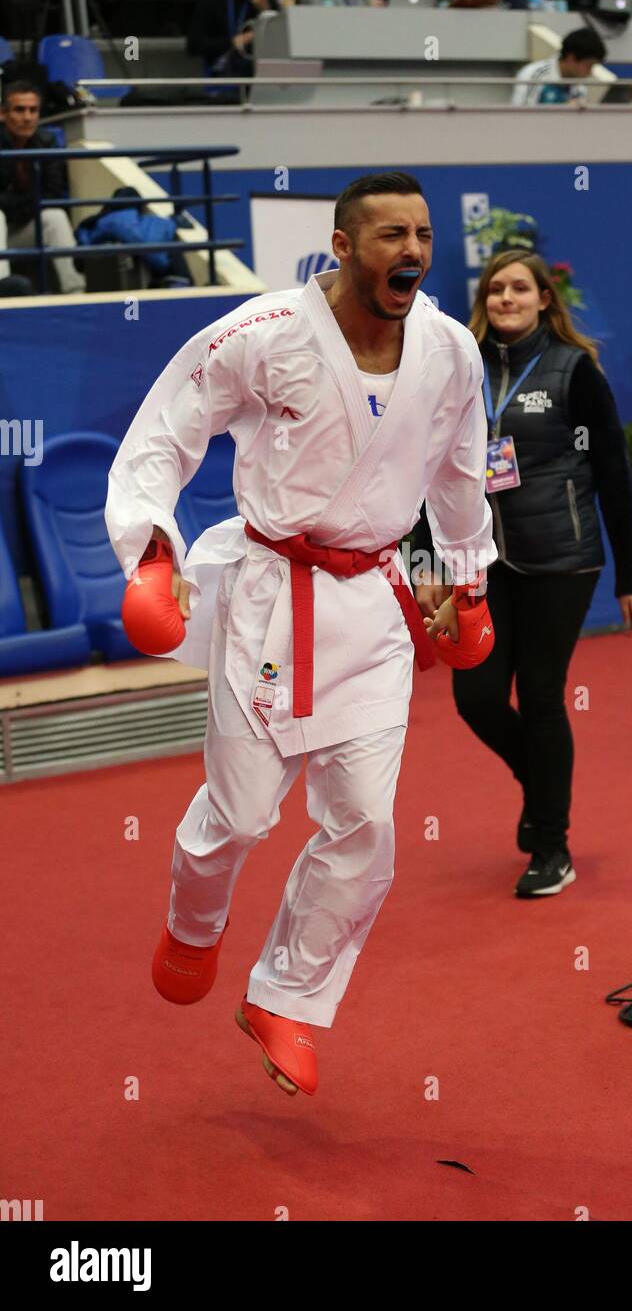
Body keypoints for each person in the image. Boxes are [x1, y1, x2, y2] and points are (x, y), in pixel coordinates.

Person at [104, 171, 496, 1098]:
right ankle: (193, 926)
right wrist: (151, 550)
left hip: (372, 606)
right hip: (270, 593)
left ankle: (287, 996)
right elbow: (165, 432)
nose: (412, 251)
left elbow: (461, 470)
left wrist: (468, 581)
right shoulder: (263, 333)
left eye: (424, 235)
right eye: (391, 234)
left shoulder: (448, 351)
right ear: (344, 243)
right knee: (239, 816)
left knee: (366, 823)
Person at [414, 250, 632, 897]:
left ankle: (552, 846)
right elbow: (430, 475)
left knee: (542, 696)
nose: (505, 299)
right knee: (477, 697)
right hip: (480, 560)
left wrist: (631, 576)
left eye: (519, 288)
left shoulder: (575, 369)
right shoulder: (461, 369)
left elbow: (614, 474)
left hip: (561, 559)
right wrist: (426, 561)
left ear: (545, 298)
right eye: (495, 290)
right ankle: (539, 784)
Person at [0, 81, 85, 295]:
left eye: (33, 110)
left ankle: (76, 293)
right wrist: (29, 201)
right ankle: (4, 289)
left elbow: (52, 193)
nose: (27, 117)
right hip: (4, 225)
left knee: (55, 217)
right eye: (20, 110)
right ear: (2, 114)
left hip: (23, 227)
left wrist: (16, 204)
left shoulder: (47, 143)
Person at [187, 0, 279, 79]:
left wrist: (265, 12)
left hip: (257, 72)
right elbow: (194, 45)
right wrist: (233, 42)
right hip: (221, 73)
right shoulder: (211, 1)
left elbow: (278, 38)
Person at [511, 27, 618, 107]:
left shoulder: (579, 85)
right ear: (571, 58)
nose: (589, 72)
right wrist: (563, 110)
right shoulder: (534, 74)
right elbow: (521, 117)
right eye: (588, 65)